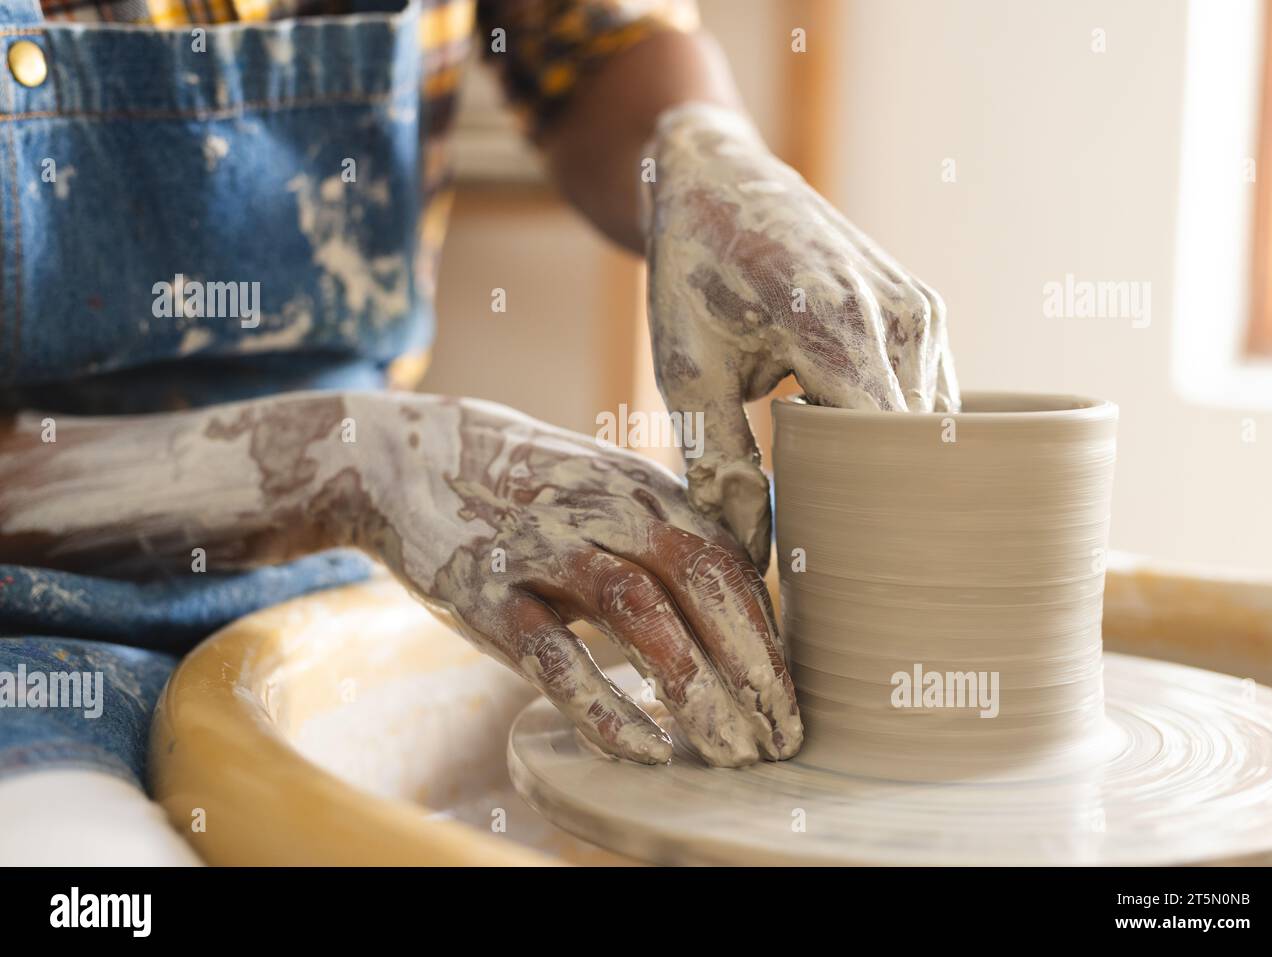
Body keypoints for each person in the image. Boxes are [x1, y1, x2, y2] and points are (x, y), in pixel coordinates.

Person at [0, 0, 957, 787]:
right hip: (35, 623)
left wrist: (705, 158)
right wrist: (342, 460)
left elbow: (599, 47)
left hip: (341, 573)